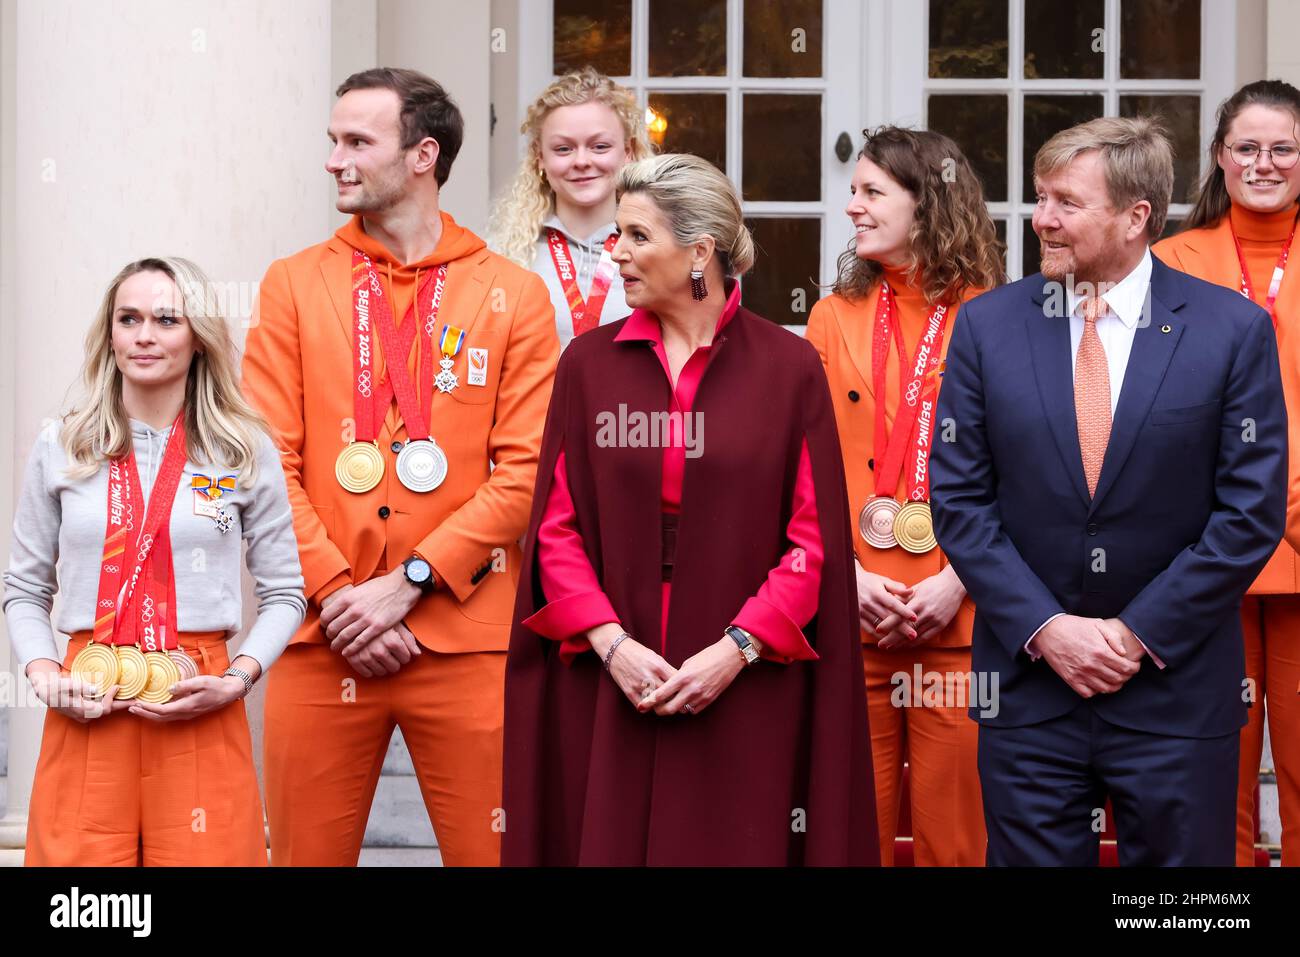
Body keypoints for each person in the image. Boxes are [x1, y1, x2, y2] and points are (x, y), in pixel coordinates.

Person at [502, 153, 877, 866]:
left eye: (638, 236)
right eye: (618, 234)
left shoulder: (788, 367)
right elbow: (555, 528)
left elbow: (811, 543)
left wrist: (734, 652)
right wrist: (612, 645)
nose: (617, 253)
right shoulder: (587, 363)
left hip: (748, 676)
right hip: (609, 668)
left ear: (700, 250)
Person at [931, 116, 1287, 866]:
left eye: (1065, 201)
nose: (1042, 219)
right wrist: (1048, 629)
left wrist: (1135, 635)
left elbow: (1248, 512)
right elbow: (960, 502)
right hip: (1030, 693)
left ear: (1136, 218)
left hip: (1176, 692)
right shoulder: (988, 327)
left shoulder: (1231, 331)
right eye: (1039, 197)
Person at [241, 68, 558, 867]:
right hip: (323, 636)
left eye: (357, 142)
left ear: (423, 154)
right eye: (333, 141)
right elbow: (262, 458)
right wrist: (343, 596)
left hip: (467, 631)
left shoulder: (513, 295)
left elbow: (526, 471)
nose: (334, 160)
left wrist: (409, 581)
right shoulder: (291, 284)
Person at [3, 257, 306, 866]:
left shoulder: (244, 451)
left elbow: (285, 593)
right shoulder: (60, 446)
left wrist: (236, 680)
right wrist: (41, 676)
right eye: (129, 318)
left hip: (198, 696)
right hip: (86, 698)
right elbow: (23, 587)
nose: (145, 335)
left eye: (167, 319)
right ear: (109, 334)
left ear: (198, 338)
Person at [806, 126, 1005, 866]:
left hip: (964, 619)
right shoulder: (832, 316)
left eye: (870, 193)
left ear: (927, 205)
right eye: (853, 191)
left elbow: (1028, 472)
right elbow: (807, 466)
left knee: (957, 843)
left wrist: (961, 581)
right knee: (851, 837)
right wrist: (845, 576)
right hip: (855, 608)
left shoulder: (1001, 315)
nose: (851, 207)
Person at [1154, 79, 1300, 867]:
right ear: (1219, 155)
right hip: (1201, 560)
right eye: (1247, 147)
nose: (1264, 162)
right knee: (1210, 780)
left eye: (1283, 147)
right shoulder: (1172, 262)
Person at [488, 66, 653, 348]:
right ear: (540, 158)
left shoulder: (658, 247)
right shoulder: (503, 252)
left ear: (628, 152)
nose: (581, 161)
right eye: (563, 149)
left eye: (599, 146)